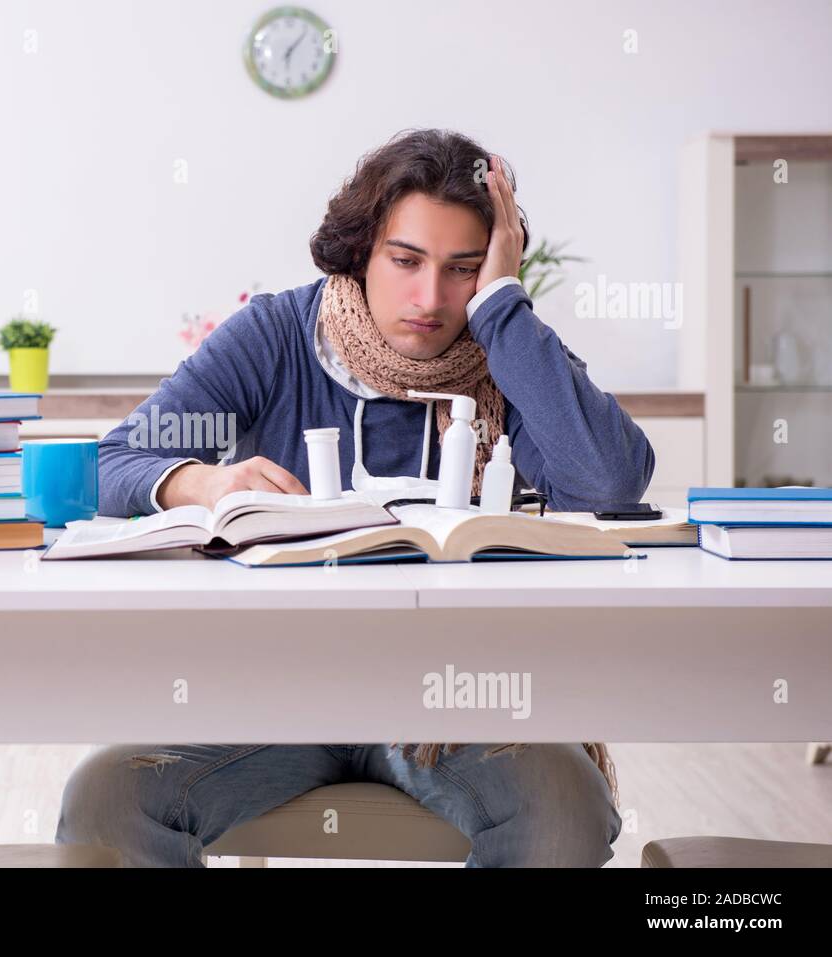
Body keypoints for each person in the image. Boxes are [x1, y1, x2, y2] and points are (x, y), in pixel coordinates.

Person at [56, 128, 653, 867]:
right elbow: (118, 458)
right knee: (106, 798)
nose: (431, 298)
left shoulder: (509, 353)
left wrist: (501, 308)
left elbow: (610, 485)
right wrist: (204, 482)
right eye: (406, 261)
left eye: (463, 269)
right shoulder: (277, 335)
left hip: (454, 703)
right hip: (271, 694)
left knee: (566, 805)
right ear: (362, 248)